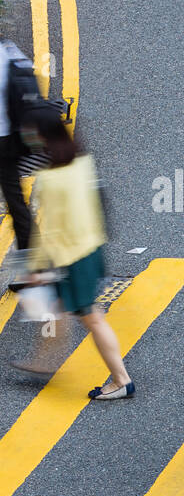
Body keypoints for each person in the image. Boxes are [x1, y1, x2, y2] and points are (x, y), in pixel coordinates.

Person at [10, 110, 132, 398]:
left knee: (91, 317)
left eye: (31, 133)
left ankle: (121, 380)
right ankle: (42, 362)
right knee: (57, 306)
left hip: (72, 258)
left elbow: (48, 230)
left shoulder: (51, 178)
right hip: (91, 248)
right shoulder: (81, 161)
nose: (28, 137)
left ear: (42, 137)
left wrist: (36, 268)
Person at [0, 32, 38, 252]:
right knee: (16, 203)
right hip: (12, 137)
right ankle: (33, 262)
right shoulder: (8, 47)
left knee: (15, 202)